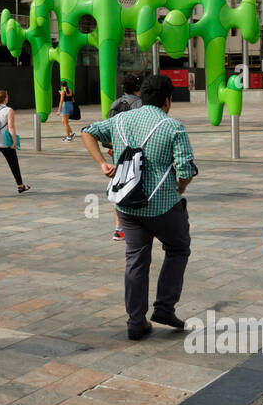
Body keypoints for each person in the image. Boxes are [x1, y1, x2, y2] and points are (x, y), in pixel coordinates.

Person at [81, 74, 196, 340]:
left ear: (141, 96)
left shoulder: (120, 119)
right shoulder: (173, 127)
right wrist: (181, 188)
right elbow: (186, 169)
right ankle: (165, 308)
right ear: (167, 100)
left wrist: (102, 163)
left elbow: (87, 131)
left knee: (136, 258)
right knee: (178, 248)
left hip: (127, 205)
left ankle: (136, 322)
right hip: (163, 205)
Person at [106, 73, 144, 240]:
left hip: (117, 151)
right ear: (138, 88)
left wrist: (112, 145)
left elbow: (109, 126)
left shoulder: (116, 103)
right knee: (136, 184)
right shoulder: (138, 104)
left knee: (118, 184)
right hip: (134, 151)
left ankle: (119, 227)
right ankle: (138, 225)